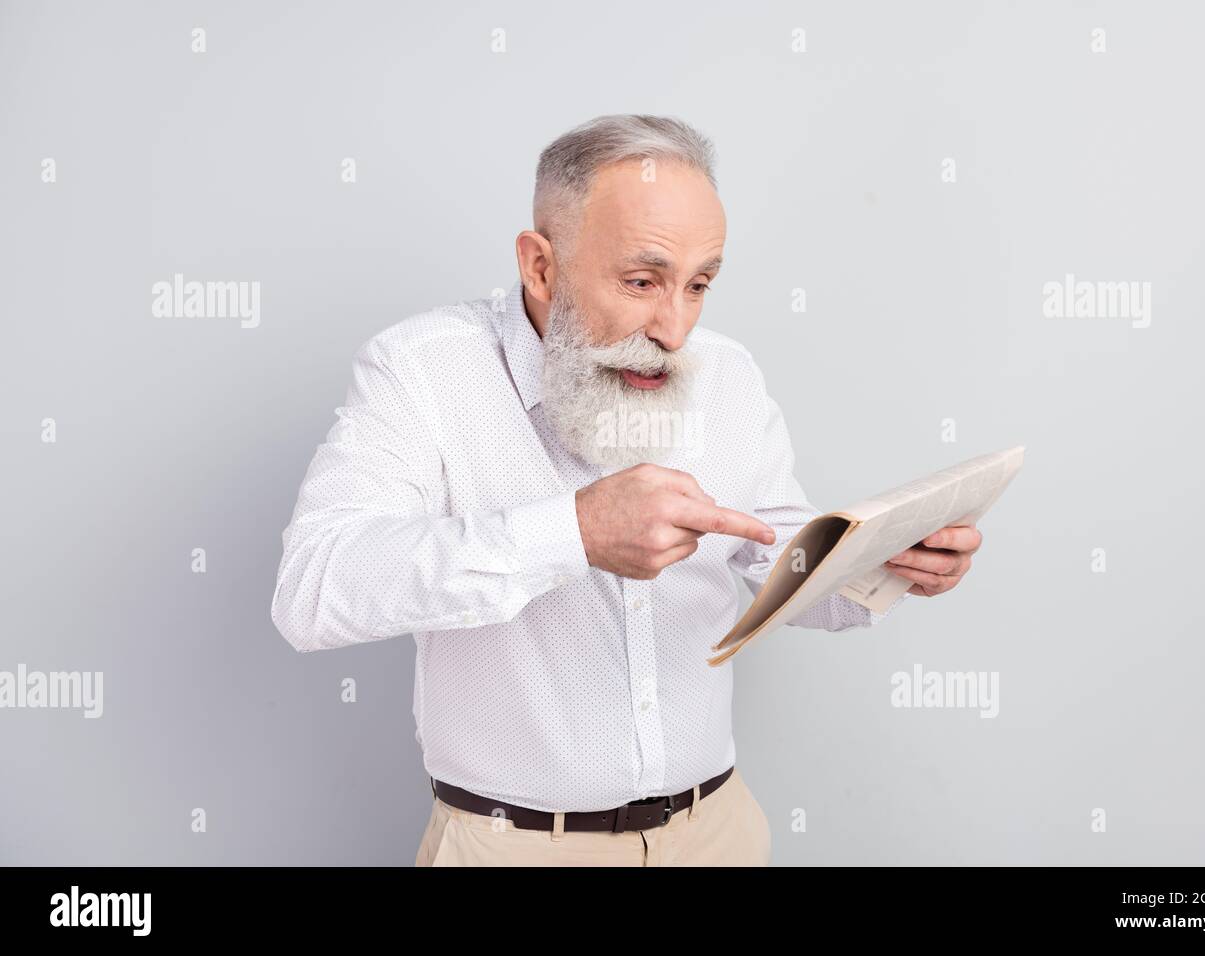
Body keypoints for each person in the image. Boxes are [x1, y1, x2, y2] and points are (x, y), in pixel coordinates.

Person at [270, 114, 984, 866]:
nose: (674, 328)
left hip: (717, 834)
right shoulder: (423, 369)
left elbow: (777, 557)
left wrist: (885, 560)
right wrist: (570, 533)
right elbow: (314, 588)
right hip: (514, 848)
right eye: (641, 281)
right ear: (540, 267)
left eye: (699, 285)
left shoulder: (729, 375)